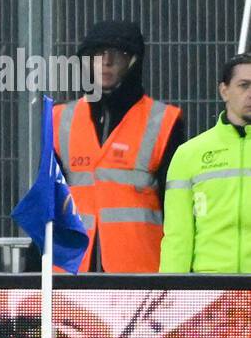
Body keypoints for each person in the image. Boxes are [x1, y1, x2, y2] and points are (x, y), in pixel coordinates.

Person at [53, 20, 185, 273]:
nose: (107, 60)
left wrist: (177, 273)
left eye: (119, 53)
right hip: (71, 271)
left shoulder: (163, 121)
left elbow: (177, 209)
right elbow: (48, 202)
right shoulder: (60, 120)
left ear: (133, 61)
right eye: (97, 53)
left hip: (139, 272)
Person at [160, 53, 251, 273]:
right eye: (244, 85)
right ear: (224, 91)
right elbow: (177, 235)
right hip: (210, 289)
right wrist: (169, 294)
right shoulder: (189, 154)